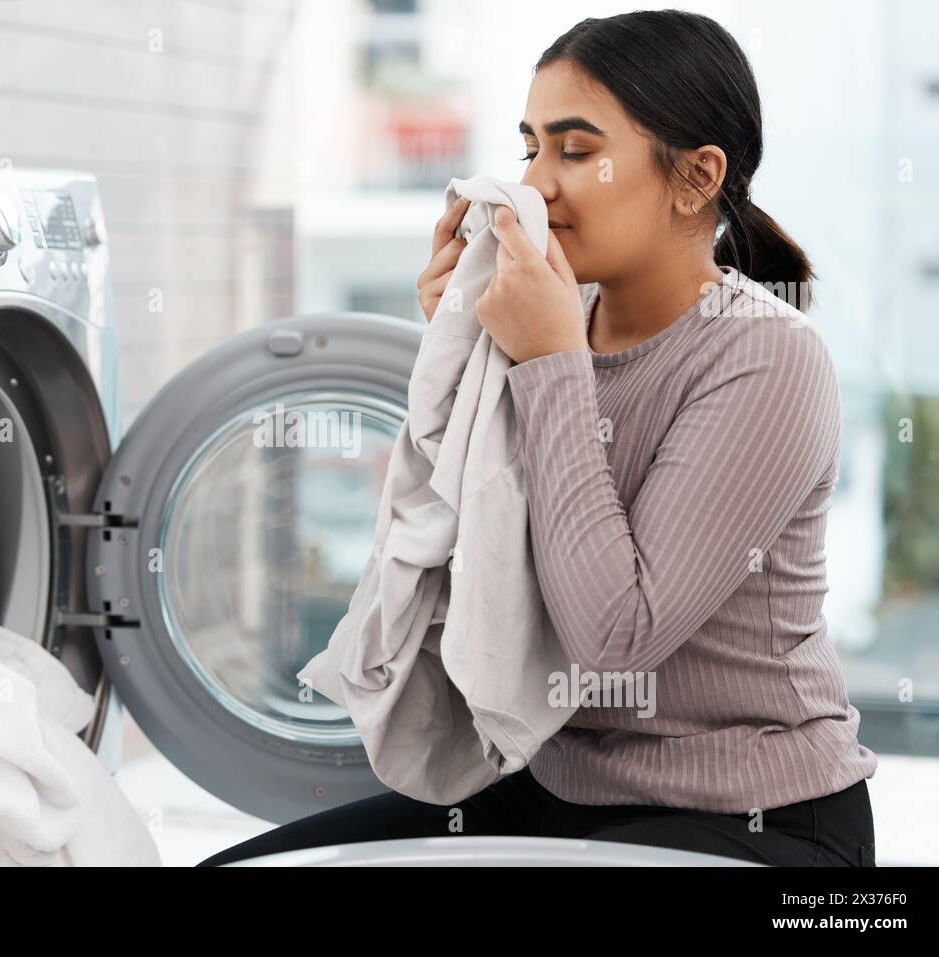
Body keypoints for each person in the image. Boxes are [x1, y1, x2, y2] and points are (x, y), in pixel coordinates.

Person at [198, 9, 877, 868]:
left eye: (576, 148)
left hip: (757, 815)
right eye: (530, 148)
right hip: (555, 784)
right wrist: (462, 356)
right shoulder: (544, 327)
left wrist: (551, 363)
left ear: (696, 175)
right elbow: (478, 563)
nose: (537, 184)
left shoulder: (766, 357)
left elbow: (615, 637)